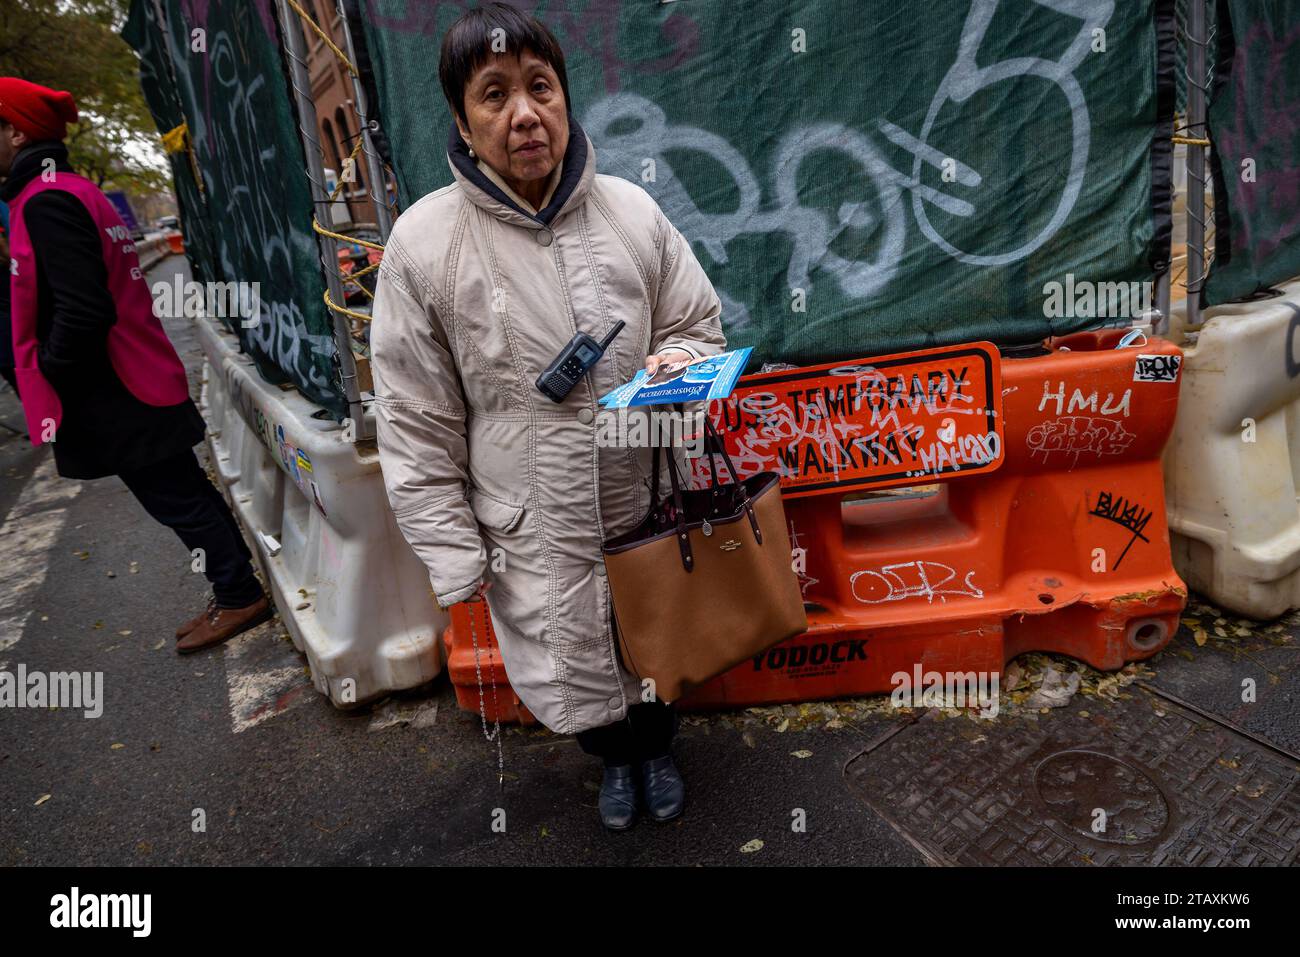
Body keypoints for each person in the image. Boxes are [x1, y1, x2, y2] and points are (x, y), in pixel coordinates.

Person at [370, 3, 726, 831]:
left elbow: (694, 324)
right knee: (574, 662)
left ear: (566, 99)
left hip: (642, 492)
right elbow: (415, 418)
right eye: (494, 94)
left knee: (651, 648)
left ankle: (658, 746)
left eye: (541, 87)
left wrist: (673, 365)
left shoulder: (633, 214)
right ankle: (612, 760)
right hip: (528, 520)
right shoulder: (424, 247)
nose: (525, 113)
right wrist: (455, 553)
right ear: (461, 118)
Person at [0, 76, 271, 652]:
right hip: (133, 375)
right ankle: (236, 587)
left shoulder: (45, 200)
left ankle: (238, 595)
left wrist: (50, 370)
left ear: (16, 133)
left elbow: (81, 308)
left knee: (174, 498)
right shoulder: (65, 188)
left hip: (116, 387)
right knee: (183, 492)